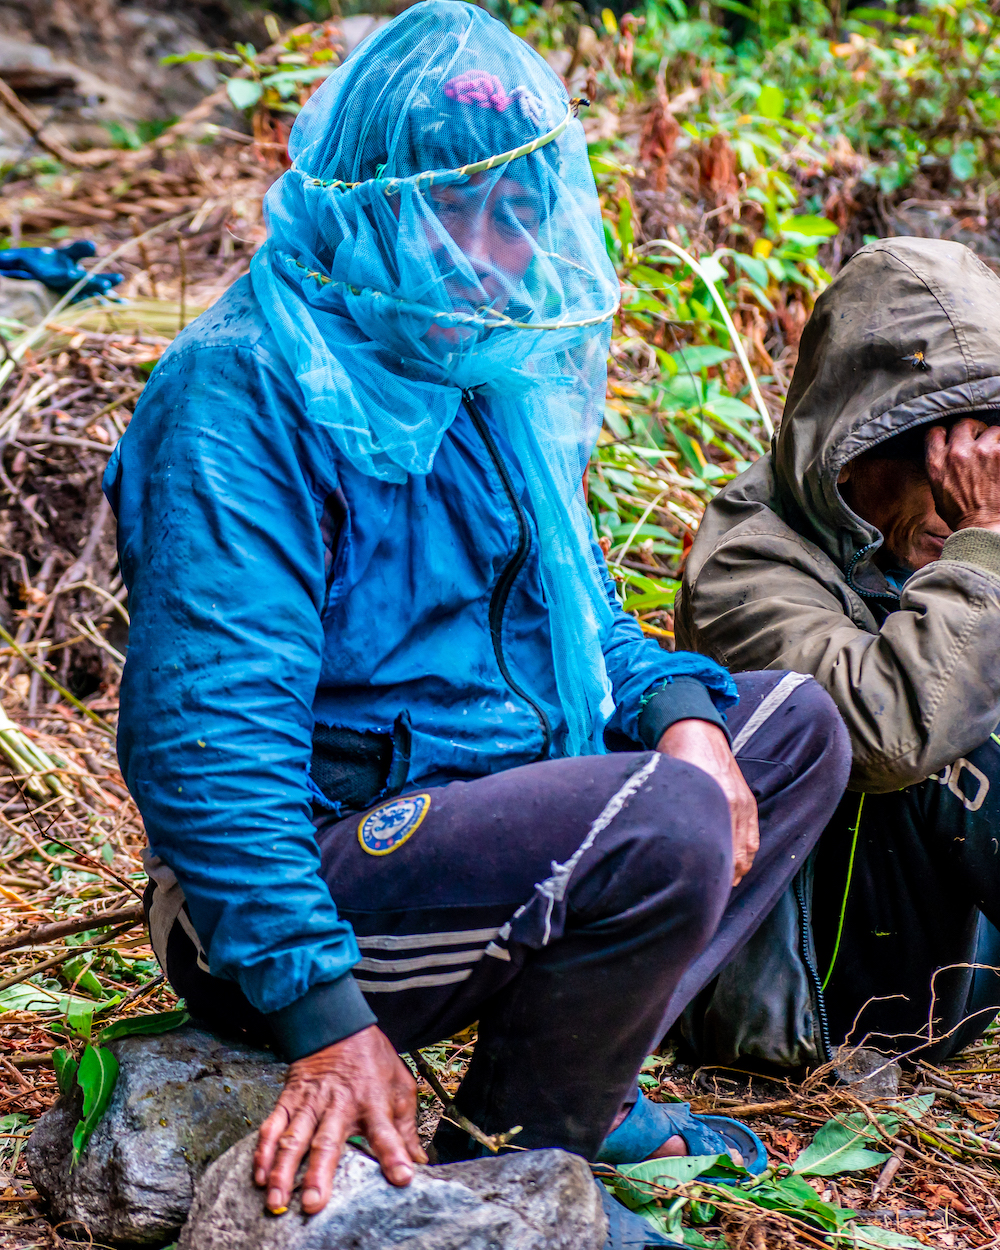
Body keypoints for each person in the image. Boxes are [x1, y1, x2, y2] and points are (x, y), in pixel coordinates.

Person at [105, 0, 850, 1223]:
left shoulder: (475, 375)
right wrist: (323, 1018)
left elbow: (587, 623)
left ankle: (575, 1090)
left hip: (485, 822)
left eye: (515, 213)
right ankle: (513, 1165)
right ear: (364, 196)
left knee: (785, 732)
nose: (489, 251)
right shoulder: (244, 388)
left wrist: (683, 717)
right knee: (662, 815)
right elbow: (210, 739)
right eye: (450, 202)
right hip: (300, 893)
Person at [677, 236, 1000, 1064]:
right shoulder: (746, 559)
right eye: (942, 467)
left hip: (955, 958)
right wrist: (982, 548)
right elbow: (885, 731)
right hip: (815, 987)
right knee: (953, 731)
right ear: (853, 454)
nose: (960, 500)